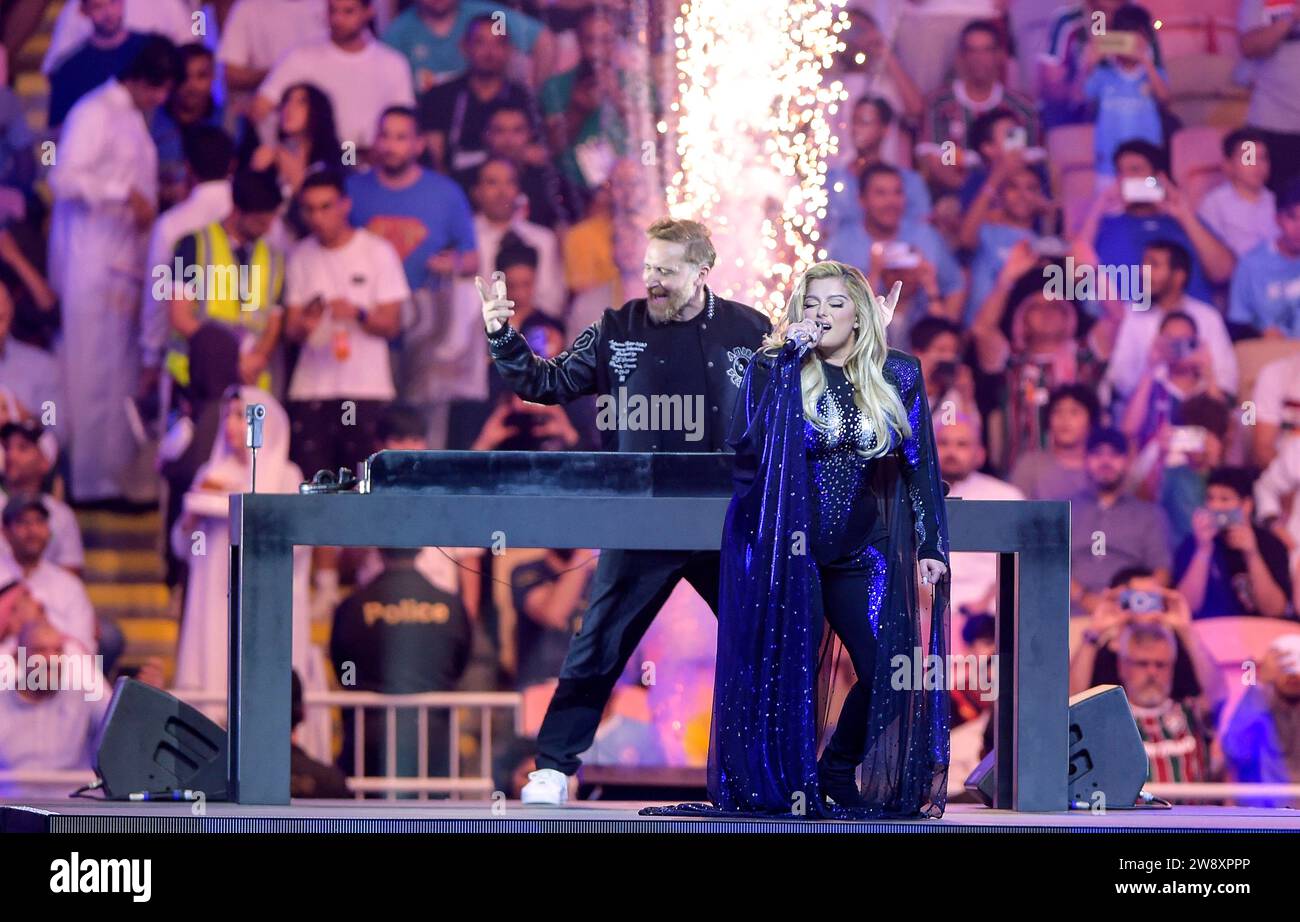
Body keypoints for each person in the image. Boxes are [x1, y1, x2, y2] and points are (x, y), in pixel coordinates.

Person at [480, 217, 770, 803]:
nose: (652, 279)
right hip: (641, 518)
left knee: (765, 637)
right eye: (648, 267)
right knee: (599, 644)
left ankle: (781, 765)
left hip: (728, 519)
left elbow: (793, 406)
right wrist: (502, 337)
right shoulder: (617, 328)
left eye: (666, 269)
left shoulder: (750, 329)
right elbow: (547, 382)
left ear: (701, 270)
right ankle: (554, 768)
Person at [658, 260, 948, 818]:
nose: (820, 314)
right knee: (788, 671)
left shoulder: (900, 374)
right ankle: (787, 786)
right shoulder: (775, 367)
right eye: (811, 304)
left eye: (836, 304)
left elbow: (921, 468)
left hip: (858, 551)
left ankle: (835, 768)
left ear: (860, 316)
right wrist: (789, 361)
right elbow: (750, 446)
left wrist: (932, 545)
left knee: (892, 669)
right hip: (787, 553)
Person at [47, 36, 177, 502]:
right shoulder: (95, 111)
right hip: (90, 264)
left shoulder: (131, 120)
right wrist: (123, 194)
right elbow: (63, 177)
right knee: (89, 376)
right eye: (158, 87)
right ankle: (86, 482)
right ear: (141, 78)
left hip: (122, 266)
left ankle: (114, 480)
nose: (162, 99)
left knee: (116, 378)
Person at [170, 387, 332, 760]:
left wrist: (239, 500)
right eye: (228, 415)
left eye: (242, 416)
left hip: (267, 601)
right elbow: (184, 547)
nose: (231, 425)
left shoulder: (288, 476)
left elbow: (301, 543)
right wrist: (193, 514)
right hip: (214, 598)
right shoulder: (209, 473)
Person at [329, 545, 472, 782]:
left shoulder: (353, 605)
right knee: (433, 818)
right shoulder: (450, 605)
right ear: (420, 550)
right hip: (432, 736)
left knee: (363, 818)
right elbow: (460, 663)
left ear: (380, 551)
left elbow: (343, 669)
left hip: (369, 735)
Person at [252, 0, 414, 152]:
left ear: (368, 12)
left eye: (348, 11)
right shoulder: (301, 57)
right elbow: (261, 107)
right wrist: (278, 151)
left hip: (373, 161)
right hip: (317, 161)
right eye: (332, 10)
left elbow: (404, 120)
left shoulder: (392, 63)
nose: (337, 19)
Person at [347, 106, 478, 292]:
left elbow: (472, 260)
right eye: (384, 136)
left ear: (419, 144)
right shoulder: (352, 189)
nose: (390, 146)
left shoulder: (447, 193)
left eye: (401, 137)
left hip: (425, 308)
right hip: (365, 303)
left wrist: (453, 263)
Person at [1105, 240, 1238, 411]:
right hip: (1145, 413)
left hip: (1199, 409)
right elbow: (1120, 378)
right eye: (1144, 264)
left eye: (1154, 265)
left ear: (1178, 277)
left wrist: (1200, 370)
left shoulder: (1207, 317)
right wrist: (1152, 366)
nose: (1142, 272)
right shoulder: (1132, 316)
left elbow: (1227, 379)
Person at [417, 15, 543, 174]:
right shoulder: (439, 97)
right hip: (454, 190)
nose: (490, 52)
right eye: (480, 42)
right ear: (465, 47)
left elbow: (538, 153)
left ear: (509, 50)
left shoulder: (524, 99)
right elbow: (435, 161)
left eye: (498, 43)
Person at [1070, 427, 1172, 615]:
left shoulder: (1149, 514)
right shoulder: (1063, 509)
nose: (1106, 462)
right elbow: (1049, 566)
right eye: (1097, 454)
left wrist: (1128, 604)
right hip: (1069, 613)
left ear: (1127, 462)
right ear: (1085, 460)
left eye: (1115, 455)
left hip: (1131, 616)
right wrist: (1084, 598)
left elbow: (1161, 572)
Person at [937, 412, 1024, 623]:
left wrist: (985, 602)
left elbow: (1020, 564)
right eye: (943, 443)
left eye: (962, 444)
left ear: (980, 454)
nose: (951, 452)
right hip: (926, 614)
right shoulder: (907, 498)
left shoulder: (1006, 497)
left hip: (990, 614)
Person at [1174, 467, 1292, 619]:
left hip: (1256, 632)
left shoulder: (1270, 544)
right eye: (1210, 498)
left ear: (1246, 505)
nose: (1215, 506)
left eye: (1224, 499)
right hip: (1209, 631)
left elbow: (1275, 610)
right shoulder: (1193, 543)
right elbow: (1185, 608)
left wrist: (1252, 554)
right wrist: (1203, 550)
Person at [383, 0, 552, 94]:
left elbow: (542, 39)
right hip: (427, 126)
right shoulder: (397, 33)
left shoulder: (490, 16)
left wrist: (535, 93)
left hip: (486, 119)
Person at [0, 495, 95, 655]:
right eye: (23, 522)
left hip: (56, 671)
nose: (33, 530)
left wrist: (38, 625)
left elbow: (85, 647)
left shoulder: (68, 585)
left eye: (39, 521)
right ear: (5, 531)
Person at [1221, 633, 1300, 808]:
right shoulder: (1258, 704)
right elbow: (1235, 750)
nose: (1293, 677)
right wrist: (1260, 684)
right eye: (1284, 662)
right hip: (1261, 815)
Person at [46, 0, 147, 130]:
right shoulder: (69, 69)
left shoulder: (150, 50)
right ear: (84, 10)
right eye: (97, 7)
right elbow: (53, 131)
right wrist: (49, 151)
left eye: (113, 2)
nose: (109, 13)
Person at [0, 421, 84, 574]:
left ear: (45, 461)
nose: (11, 455)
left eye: (23, 448)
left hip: (45, 597)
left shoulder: (61, 514)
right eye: (7, 447)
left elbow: (71, 575)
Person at [1238, 0, 1300, 195]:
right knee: (1263, 203)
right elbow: (1249, 46)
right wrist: (1291, 18)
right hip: (1269, 126)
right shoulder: (1257, 2)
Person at [1228, 178, 1300, 339]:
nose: (1299, 228)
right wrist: (1260, 334)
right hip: (1269, 354)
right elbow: (1237, 325)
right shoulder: (1251, 265)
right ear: (1278, 219)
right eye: (1292, 218)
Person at [1197, 129, 1277, 260]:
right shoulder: (1213, 204)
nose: (1258, 165)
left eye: (1263, 158)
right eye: (1248, 158)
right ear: (1228, 165)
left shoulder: (1276, 201)